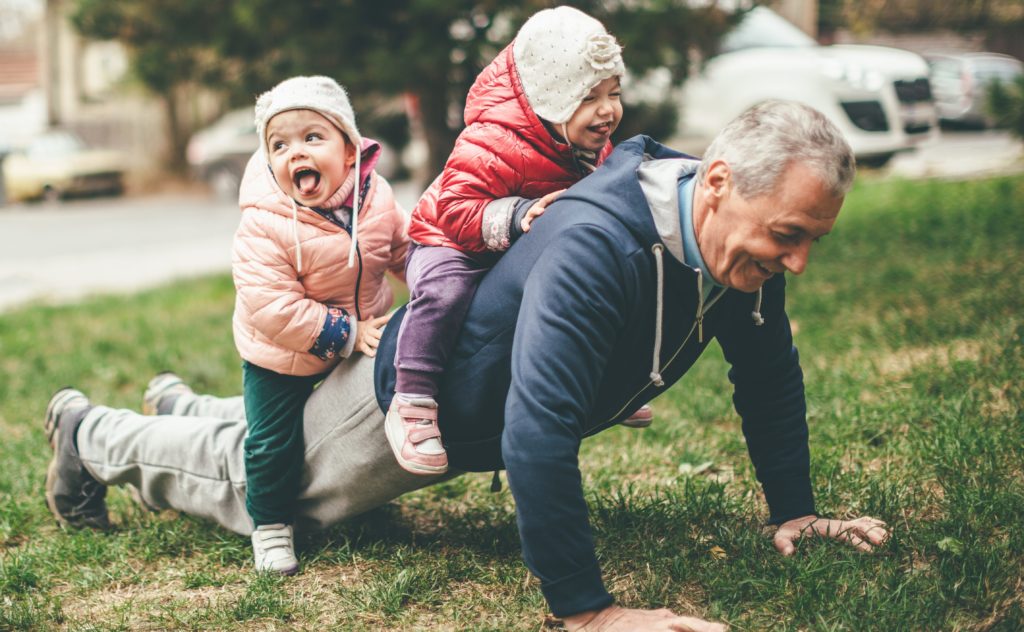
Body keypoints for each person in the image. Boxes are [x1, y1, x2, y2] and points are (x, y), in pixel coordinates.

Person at [43, 101, 889, 632]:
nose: (800, 262)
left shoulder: (733, 252)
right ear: (717, 183)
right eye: (788, 235)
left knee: (271, 436)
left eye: (813, 239)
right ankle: (93, 436)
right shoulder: (604, 243)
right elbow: (537, 428)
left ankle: (184, 406)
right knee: (256, 487)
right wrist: (588, 609)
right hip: (402, 404)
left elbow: (769, 374)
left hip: (448, 404)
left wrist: (796, 510)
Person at [388, 6, 651, 475]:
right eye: (589, 97)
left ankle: (603, 381)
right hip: (450, 239)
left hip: (518, 243)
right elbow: (453, 209)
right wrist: (514, 215)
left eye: (613, 92)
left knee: (586, 286)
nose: (608, 109)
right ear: (549, 98)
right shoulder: (489, 141)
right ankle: (412, 399)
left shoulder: (586, 145)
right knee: (445, 293)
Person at [231, 76, 408, 574]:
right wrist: (348, 334)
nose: (296, 153)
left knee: (366, 415)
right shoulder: (265, 222)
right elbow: (272, 306)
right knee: (273, 440)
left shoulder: (376, 198)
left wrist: (430, 276)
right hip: (280, 351)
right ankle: (269, 524)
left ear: (351, 150)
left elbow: (400, 250)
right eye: (279, 144)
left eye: (313, 138)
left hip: (361, 330)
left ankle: (366, 494)